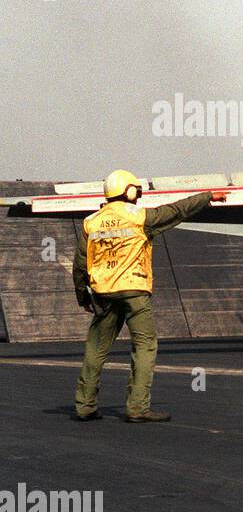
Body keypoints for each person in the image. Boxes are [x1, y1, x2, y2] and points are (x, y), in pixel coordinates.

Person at [73, 170, 226, 422]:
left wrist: (83, 297)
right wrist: (207, 196)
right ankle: (137, 408)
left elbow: (80, 265)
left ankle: (85, 406)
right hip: (134, 290)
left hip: (102, 293)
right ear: (130, 191)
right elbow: (177, 210)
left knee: (96, 349)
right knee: (144, 345)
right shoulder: (141, 217)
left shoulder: (91, 221)